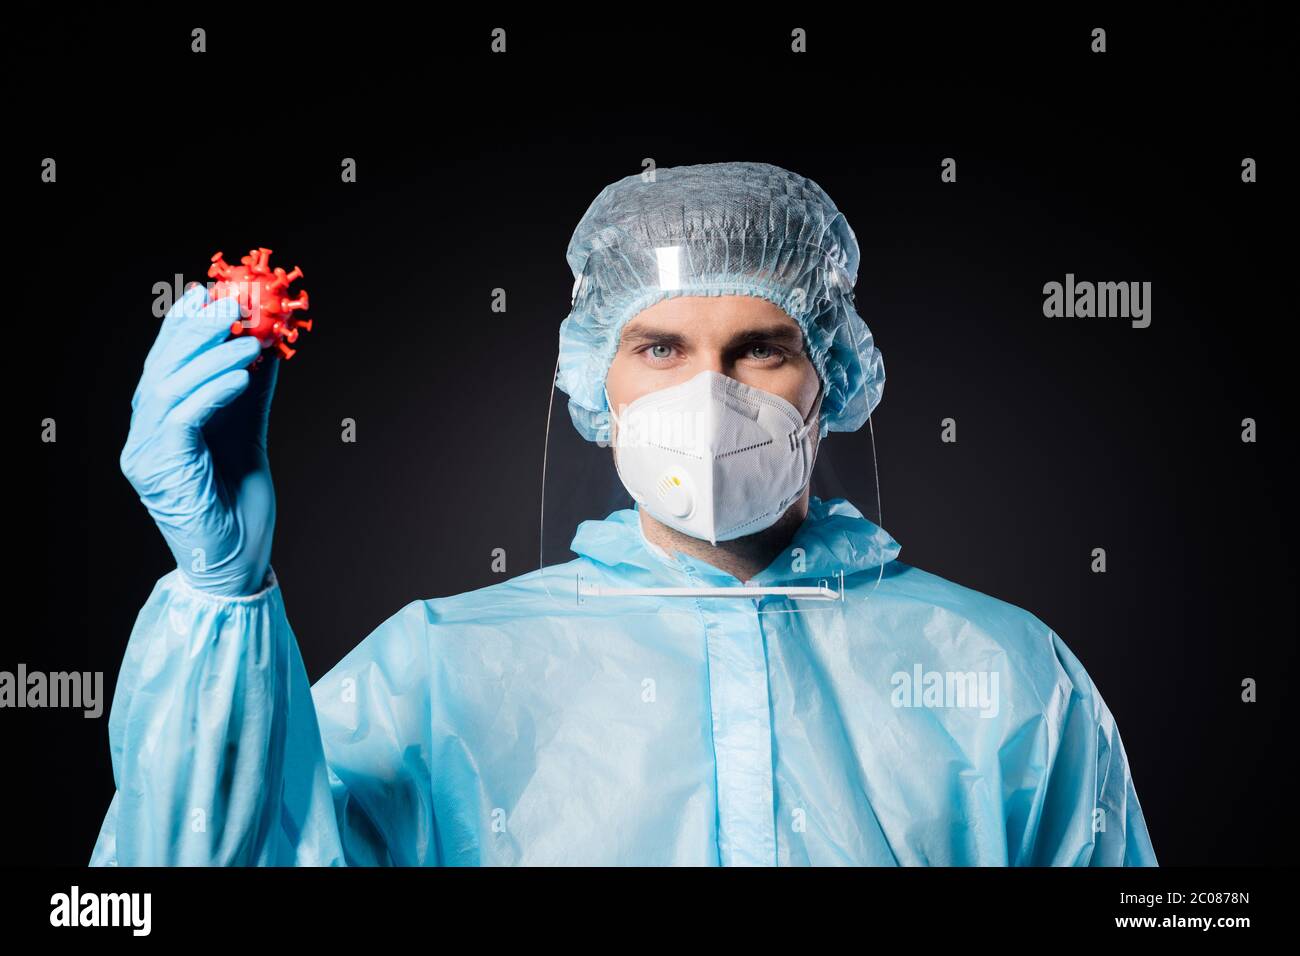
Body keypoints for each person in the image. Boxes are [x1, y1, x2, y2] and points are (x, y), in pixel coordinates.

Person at [92, 161, 1157, 866]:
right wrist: (218, 599)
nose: (709, 394)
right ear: (595, 387)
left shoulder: (1006, 676)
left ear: (832, 372)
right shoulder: (438, 670)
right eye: (660, 348)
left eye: (759, 348)